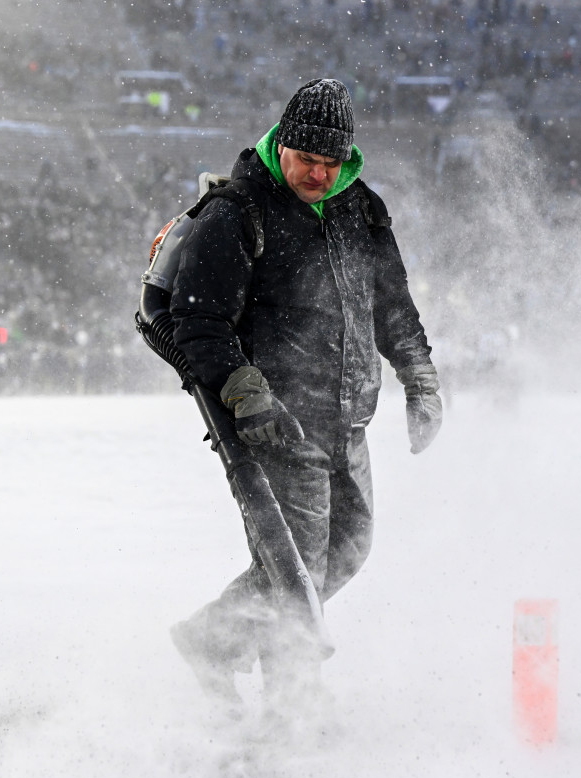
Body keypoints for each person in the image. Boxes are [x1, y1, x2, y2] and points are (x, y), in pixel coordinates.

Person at [166, 78, 443, 730]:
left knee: (348, 548)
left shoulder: (361, 209)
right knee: (299, 567)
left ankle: (214, 639)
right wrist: (248, 398)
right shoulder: (239, 213)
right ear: (281, 144)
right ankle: (294, 707)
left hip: (347, 419)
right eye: (306, 159)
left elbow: (391, 305)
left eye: (331, 160)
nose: (319, 173)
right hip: (278, 425)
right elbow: (196, 321)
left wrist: (419, 376)